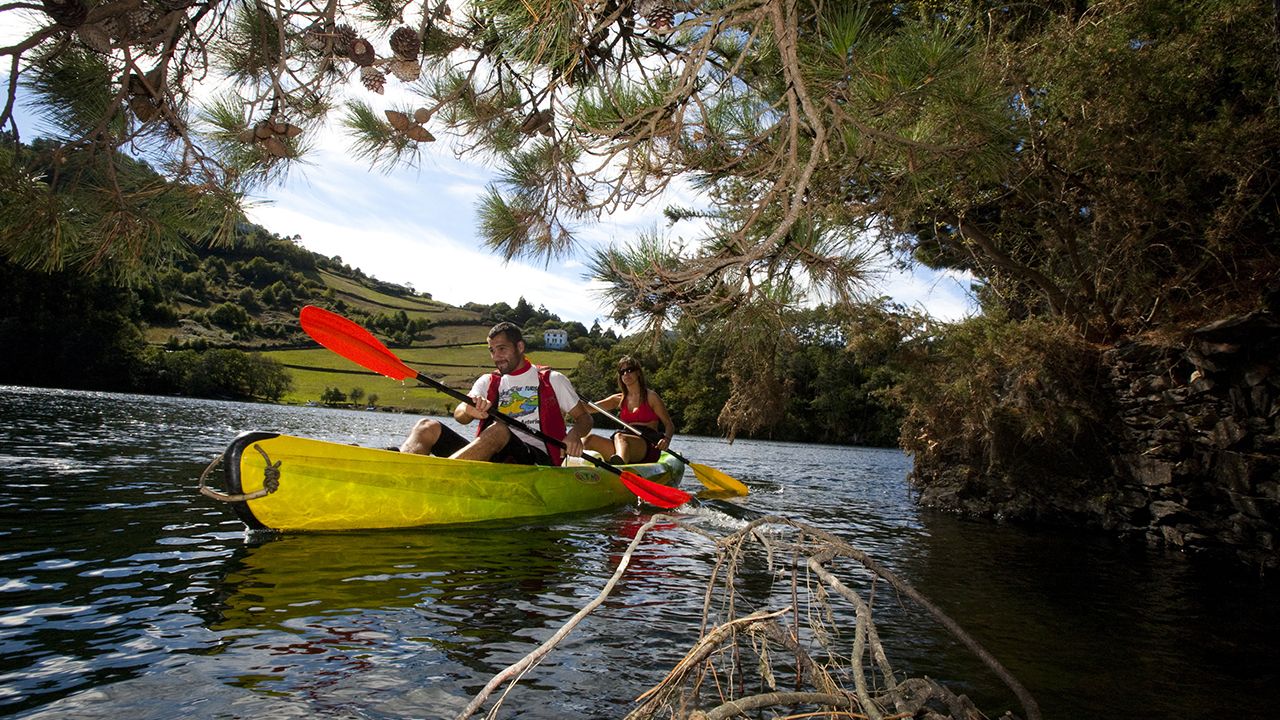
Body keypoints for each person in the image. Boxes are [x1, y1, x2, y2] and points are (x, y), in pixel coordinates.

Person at [400, 322, 592, 465]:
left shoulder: (553, 379)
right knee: (426, 426)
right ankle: (400, 471)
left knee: (500, 429)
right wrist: (468, 409)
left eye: (502, 349)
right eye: (492, 350)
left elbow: (584, 418)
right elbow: (460, 415)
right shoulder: (488, 380)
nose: (496, 356)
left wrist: (574, 434)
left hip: (538, 461)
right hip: (492, 455)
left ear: (520, 347)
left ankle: (440, 475)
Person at [584, 356, 674, 464]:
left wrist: (666, 439)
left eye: (630, 370)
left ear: (638, 373)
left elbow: (669, 424)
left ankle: (620, 465)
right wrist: (565, 397)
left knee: (620, 436)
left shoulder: (651, 397)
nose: (626, 374)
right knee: (589, 439)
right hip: (624, 443)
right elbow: (588, 408)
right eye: (622, 372)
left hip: (648, 444)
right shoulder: (618, 399)